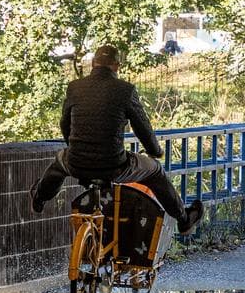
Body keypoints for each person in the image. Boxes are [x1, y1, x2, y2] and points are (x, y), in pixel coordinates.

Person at [29, 44, 203, 234]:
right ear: (116, 66)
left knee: (58, 165)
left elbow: (65, 124)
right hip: (114, 167)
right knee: (155, 172)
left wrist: (74, 148)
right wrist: (155, 151)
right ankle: (183, 219)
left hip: (77, 163)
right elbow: (142, 128)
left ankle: (39, 198)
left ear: (93, 63)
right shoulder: (125, 90)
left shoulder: (75, 87)